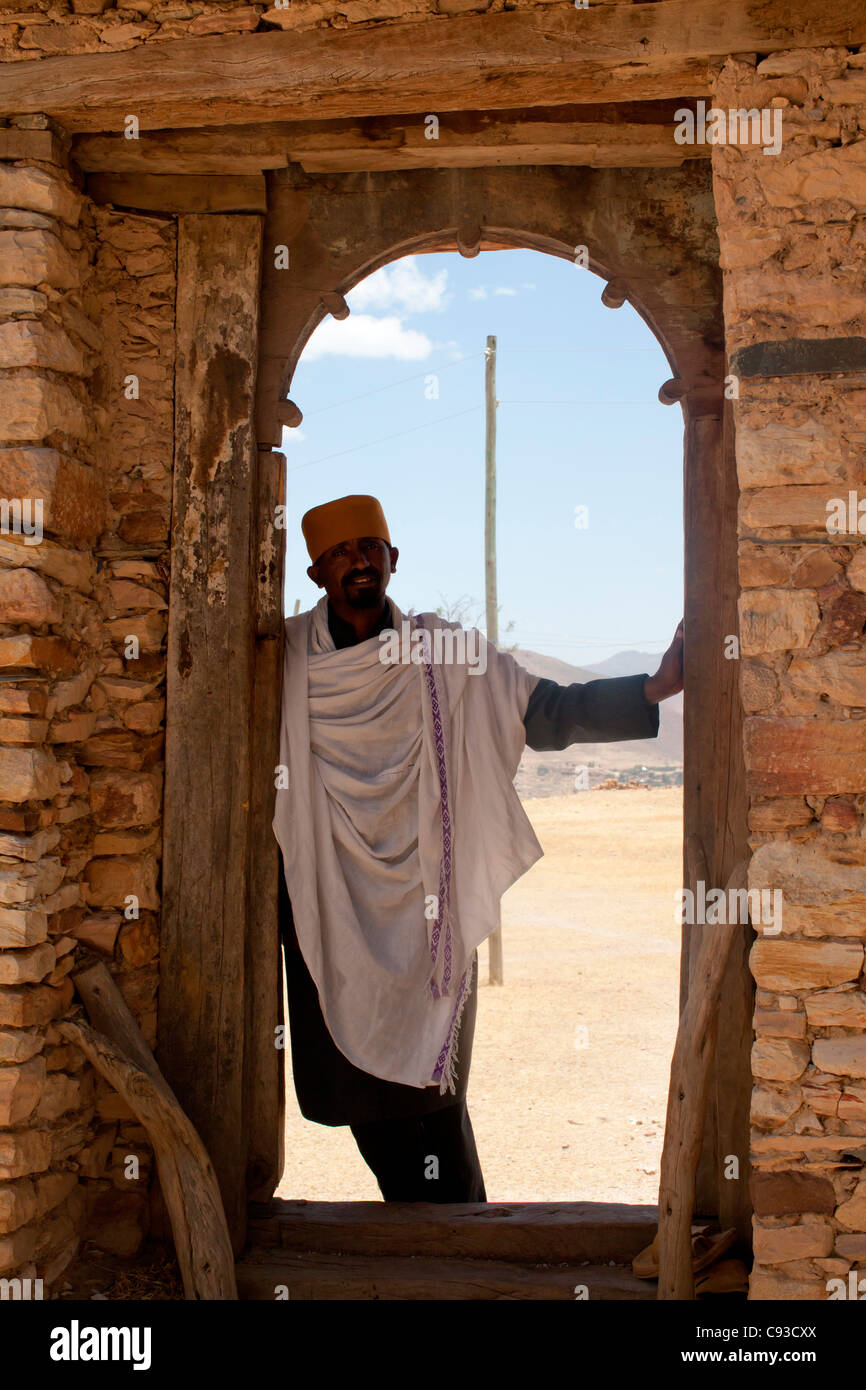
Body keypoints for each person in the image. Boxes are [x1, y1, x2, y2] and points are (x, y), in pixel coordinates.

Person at [271, 494, 683, 1203]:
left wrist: (653, 687)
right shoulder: (277, 660)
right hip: (329, 904)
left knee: (439, 1097)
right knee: (375, 1107)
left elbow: (541, 709)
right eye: (340, 553)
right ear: (315, 573)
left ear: (393, 560)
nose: (358, 562)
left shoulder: (445, 654)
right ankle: (434, 1248)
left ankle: (462, 1240)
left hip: (431, 912)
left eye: (370, 547)